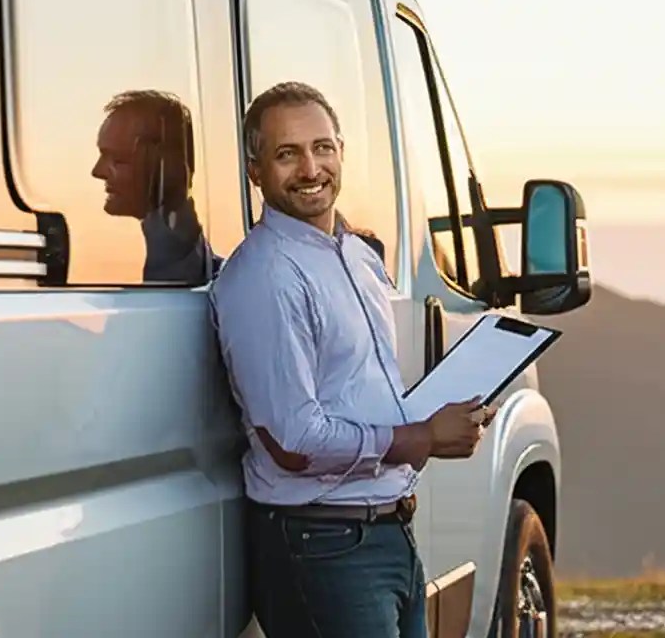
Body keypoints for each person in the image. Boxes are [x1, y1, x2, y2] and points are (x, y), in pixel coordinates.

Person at [209, 81, 494, 637]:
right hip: (324, 545)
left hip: (387, 531)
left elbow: (357, 389)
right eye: (286, 154)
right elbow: (291, 439)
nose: (311, 168)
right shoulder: (265, 277)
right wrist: (422, 438)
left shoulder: (360, 257)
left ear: (341, 152)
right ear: (255, 169)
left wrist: (442, 421)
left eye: (323, 148)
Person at [91, 89, 217, 282]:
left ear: (165, 167)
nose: (98, 171)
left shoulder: (180, 271)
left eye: (117, 159)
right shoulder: (186, 261)